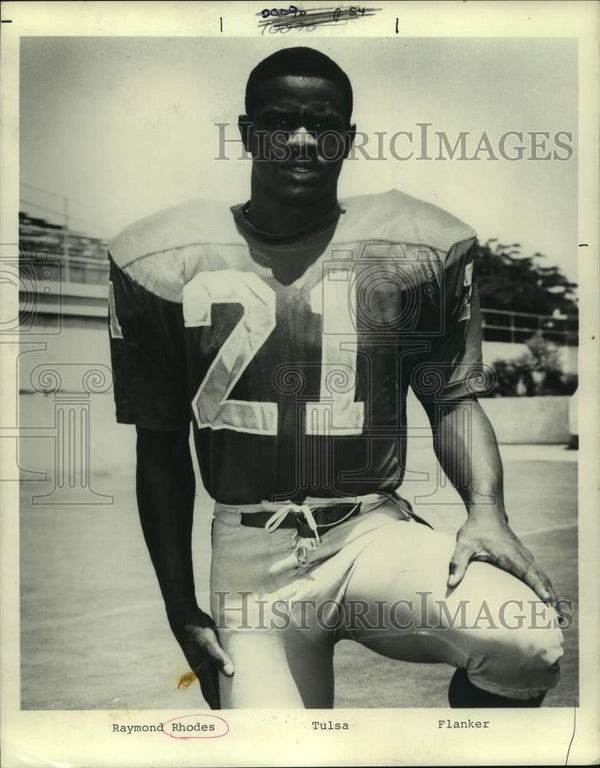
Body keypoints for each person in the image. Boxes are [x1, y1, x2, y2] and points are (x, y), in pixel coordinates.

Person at [107, 46, 564, 709]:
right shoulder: (162, 258)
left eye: (323, 124)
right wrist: (182, 608)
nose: (301, 139)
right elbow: (160, 445)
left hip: (369, 535)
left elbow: (452, 401)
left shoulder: (413, 248)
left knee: (529, 644)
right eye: (278, 120)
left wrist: (486, 513)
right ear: (246, 132)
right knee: (276, 754)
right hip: (250, 560)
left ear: (347, 138)